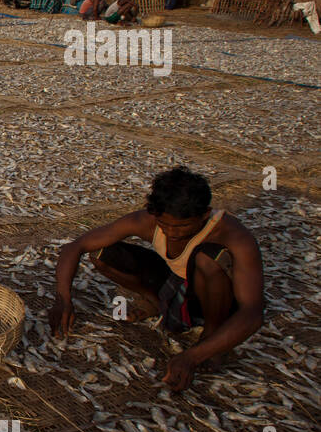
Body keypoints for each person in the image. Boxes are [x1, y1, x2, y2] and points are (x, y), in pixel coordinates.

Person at [49, 167, 264, 391]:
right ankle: (155, 301)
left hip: (214, 299)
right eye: (165, 224)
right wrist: (63, 298)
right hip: (178, 283)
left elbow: (253, 312)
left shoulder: (233, 235)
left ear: (205, 214)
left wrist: (192, 357)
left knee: (207, 260)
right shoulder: (148, 220)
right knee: (102, 254)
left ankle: (212, 335)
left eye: (182, 226)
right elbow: (76, 247)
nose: (172, 233)